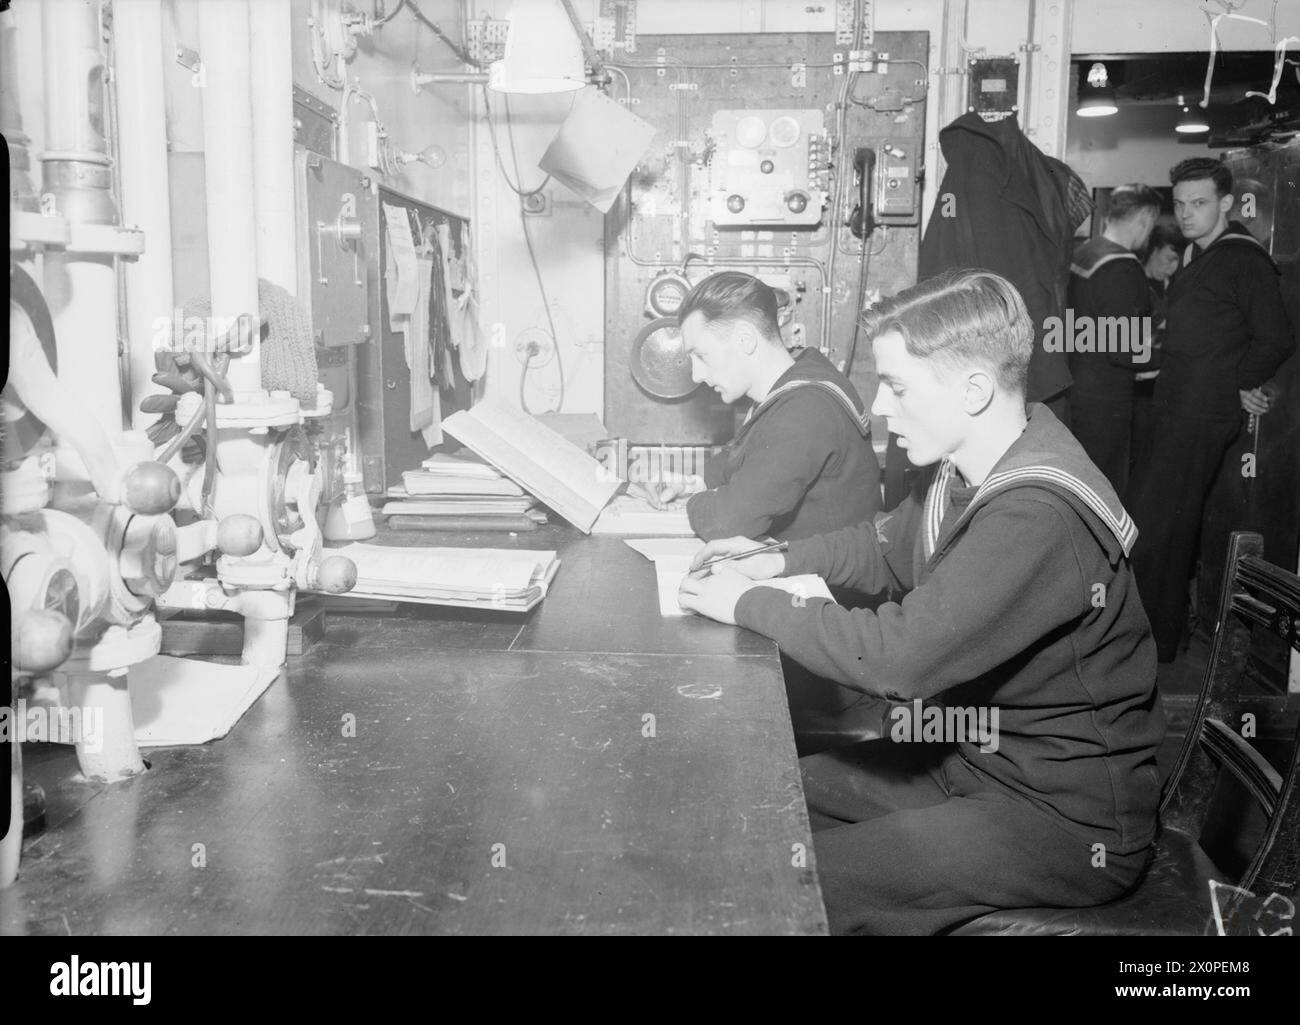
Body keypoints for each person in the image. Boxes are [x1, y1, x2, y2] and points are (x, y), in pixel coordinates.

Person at [678, 269, 1165, 935]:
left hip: (1060, 819)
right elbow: (879, 546)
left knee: (781, 876)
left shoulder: (1039, 509)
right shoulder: (966, 466)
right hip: (969, 764)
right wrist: (779, 558)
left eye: (898, 386)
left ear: (974, 390)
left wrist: (748, 602)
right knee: (755, 796)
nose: (880, 406)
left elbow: (901, 658)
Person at [1128, 158, 1295, 662]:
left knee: (1159, 529)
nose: (1186, 214)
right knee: (1163, 527)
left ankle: (1152, 646)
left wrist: (1238, 384)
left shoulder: (1242, 259)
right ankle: (1161, 638)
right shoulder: (1198, 256)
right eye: (1179, 204)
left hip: (1200, 413)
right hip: (1177, 406)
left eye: (1198, 203)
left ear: (1226, 202)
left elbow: (1276, 337)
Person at [638, 271, 882, 543]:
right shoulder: (791, 386)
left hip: (825, 583)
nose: (696, 375)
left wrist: (695, 502)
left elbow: (728, 523)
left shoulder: (807, 409)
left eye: (701, 355)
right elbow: (744, 459)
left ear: (745, 339)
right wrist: (693, 482)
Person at [1066, 184, 1162, 495]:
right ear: (1146, 218)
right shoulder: (1123, 266)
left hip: (1076, 388)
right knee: (1103, 488)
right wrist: (1169, 357)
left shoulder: (1086, 252)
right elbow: (1123, 351)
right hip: (1106, 402)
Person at [1130, 224, 1185, 487]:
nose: (1172, 268)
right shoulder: (1133, 283)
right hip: (1137, 387)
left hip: (1159, 384)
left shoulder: (1169, 288)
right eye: (1169, 258)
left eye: (1177, 261)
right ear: (1152, 250)